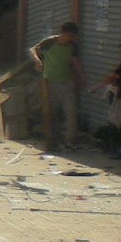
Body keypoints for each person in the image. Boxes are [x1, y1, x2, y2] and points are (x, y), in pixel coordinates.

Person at [30, 21, 84, 151]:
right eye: (69, 35)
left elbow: (74, 61)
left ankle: (70, 141)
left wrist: (81, 74)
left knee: (70, 111)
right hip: (50, 82)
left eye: (73, 36)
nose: (70, 38)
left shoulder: (72, 46)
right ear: (63, 33)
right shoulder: (50, 42)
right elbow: (32, 50)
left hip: (66, 83)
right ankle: (53, 139)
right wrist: (37, 60)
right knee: (52, 113)